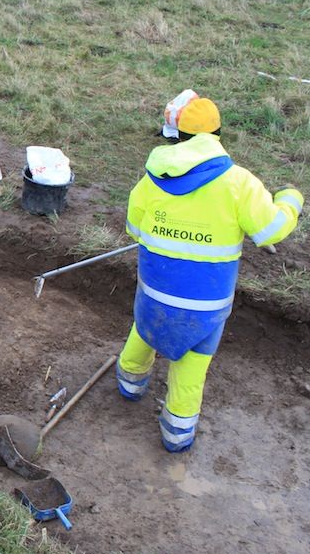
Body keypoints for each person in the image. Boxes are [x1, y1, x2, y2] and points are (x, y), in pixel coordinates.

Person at [116, 93, 303, 452]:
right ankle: (175, 434)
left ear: (179, 135)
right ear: (218, 133)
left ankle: (129, 384)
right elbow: (269, 231)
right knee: (190, 367)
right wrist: (290, 200)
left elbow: (134, 230)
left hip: (154, 289)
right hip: (204, 303)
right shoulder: (239, 183)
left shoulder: (152, 177)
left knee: (146, 328)